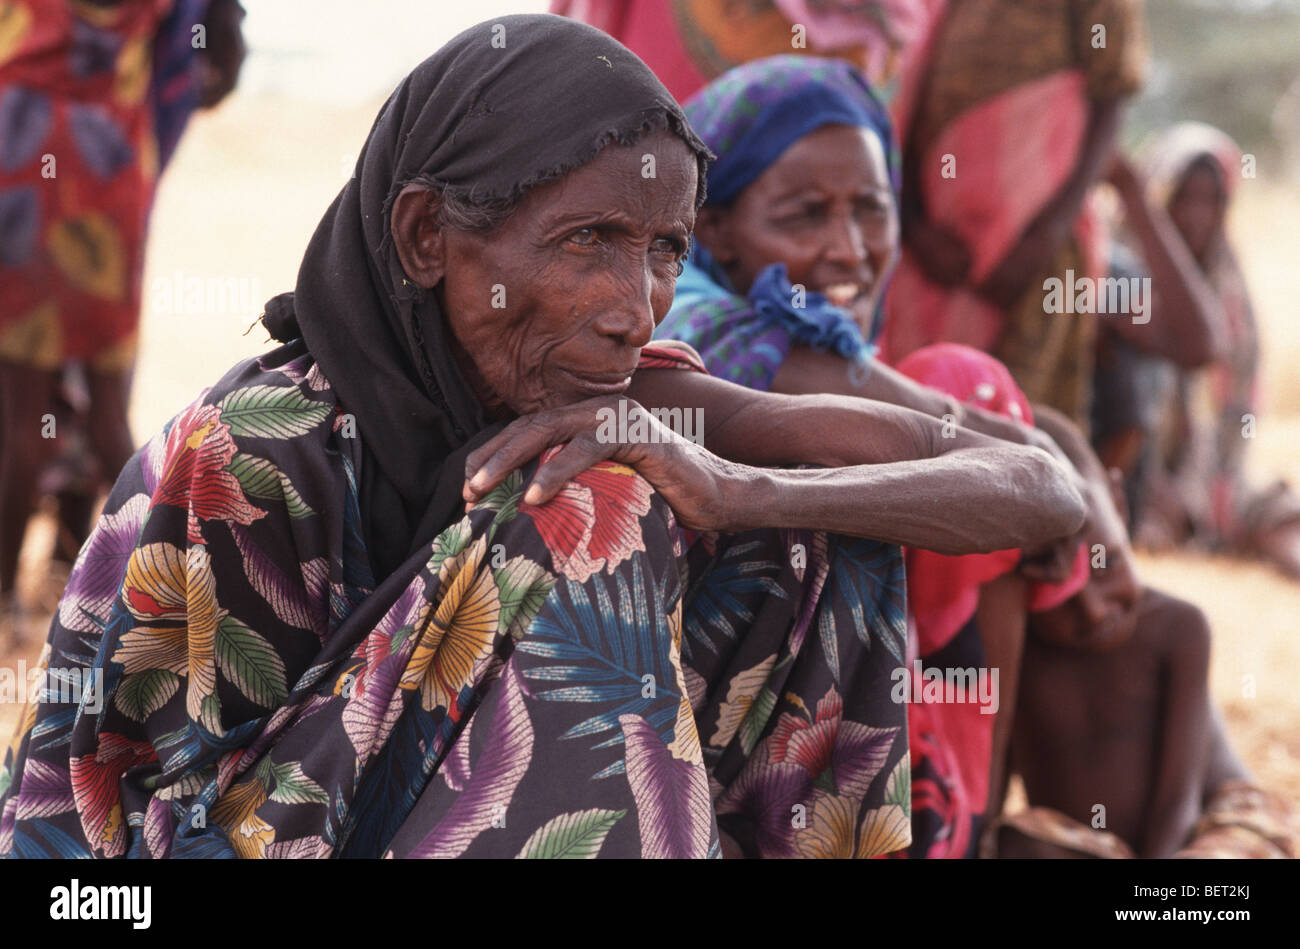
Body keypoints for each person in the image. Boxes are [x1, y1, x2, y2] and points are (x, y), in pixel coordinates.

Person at [0, 14, 1084, 859]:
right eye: (587, 241)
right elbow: (129, 818)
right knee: (599, 503)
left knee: (814, 514)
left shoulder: (620, 389)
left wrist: (744, 490)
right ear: (427, 236)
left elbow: (1040, 488)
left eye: (664, 250)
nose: (633, 307)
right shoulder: (256, 453)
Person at [651, 56, 1088, 856]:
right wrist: (1071, 485)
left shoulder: (769, 323)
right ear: (712, 228)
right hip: (740, 741)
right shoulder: (707, 328)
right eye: (806, 215)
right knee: (965, 385)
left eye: (871, 209)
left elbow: (1022, 456)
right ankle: (970, 816)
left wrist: (1070, 464)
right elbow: (988, 441)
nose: (850, 249)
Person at [0, 0, 246, 645]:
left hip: (20, 153)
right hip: (109, 163)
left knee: (19, 413)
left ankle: (5, 605)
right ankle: (162, 593)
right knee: (107, 410)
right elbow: (215, 62)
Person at [990, 407, 1297, 858]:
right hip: (1095, 844)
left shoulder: (1178, 628)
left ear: (1119, 501)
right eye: (1059, 594)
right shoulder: (1014, 647)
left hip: (1210, 823)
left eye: (1107, 564)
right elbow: (991, 788)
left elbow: (1178, 802)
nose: (1093, 611)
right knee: (1020, 845)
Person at [881, 0, 1148, 428]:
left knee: (1024, 424)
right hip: (938, 256)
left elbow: (1111, 96)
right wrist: (915, 228)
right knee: (924, 411)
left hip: (1040, 251)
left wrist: (1043, 238)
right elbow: (913, 108)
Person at [1108, 123, 1300, 579]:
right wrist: (1157, 484)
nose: (1197, 215)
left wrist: (1210, 489)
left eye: (1210, 201)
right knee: (1149, 527)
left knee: (1281, 516)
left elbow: (1233, 413)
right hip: (1140, 475)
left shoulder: (1229, 287)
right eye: (1183, 198)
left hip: (1215, 477)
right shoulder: (1119, 274)